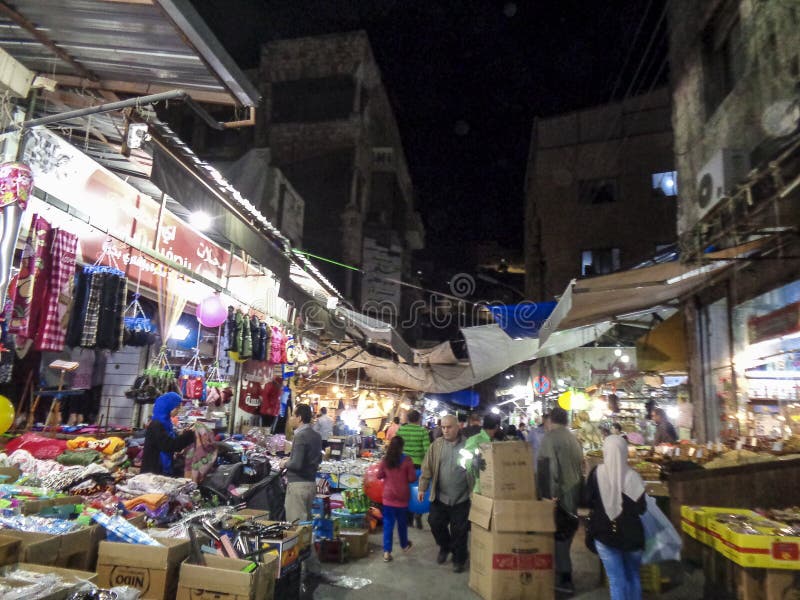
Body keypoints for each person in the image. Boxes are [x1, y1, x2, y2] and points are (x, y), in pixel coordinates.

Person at [585, 435, 646, 600]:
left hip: (604, 534)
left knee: (616, 580)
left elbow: (588, 501)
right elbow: (642, 509)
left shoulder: (596, 474)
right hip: (632, 536)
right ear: (624, 452)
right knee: (633, 577)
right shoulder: (634, 477)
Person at [537, 407, 585, 595]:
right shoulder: (573, 439)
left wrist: (550, 495)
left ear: (550, 420)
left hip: (561, 496)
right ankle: (563, 577)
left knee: (560, 539)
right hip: (574, 494)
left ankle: (565, 581)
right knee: (566, 535)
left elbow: (549, 469)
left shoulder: (550, 438)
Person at [418, 414, 474, 573]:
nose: (445, 430)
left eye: (449, 427)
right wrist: (422, 487)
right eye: (443, 427)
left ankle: (459, 559)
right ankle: (445, 546)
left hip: (461, 498)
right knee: (435, 523)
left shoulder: (468, 446)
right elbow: (427, 467)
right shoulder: (436, 446)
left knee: (460, 532)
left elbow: (475, 470)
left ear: (458, 427)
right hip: (440, 497)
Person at [283, 404, 323, 575]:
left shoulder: (300, 436)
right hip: (310, 485)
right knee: (306, 528)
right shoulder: (315, 435)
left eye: (293, 415)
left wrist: (285, 462)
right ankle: (310, 568)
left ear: (299, 418)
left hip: (298, 486)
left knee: (297, 530)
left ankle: (302, 570)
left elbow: (297, 464)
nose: (291, 418)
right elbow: (318, 459)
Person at [376, 436, 417, 561]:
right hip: (402, 498)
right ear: (402, 447)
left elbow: (379, 475)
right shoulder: (407, 460)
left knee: (388, 525)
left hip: (388, 497)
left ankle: (387, 552)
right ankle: (404, 545)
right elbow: (412, 478)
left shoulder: (385, 460)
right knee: (402, 524)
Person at [141, 392, 194, 475]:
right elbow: (169, 445)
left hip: (158, 469)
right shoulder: (156, 425)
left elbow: (169, 439)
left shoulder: (165, 422)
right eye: (177, 407)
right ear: (168, 407)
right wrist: (189, 435)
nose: (178, 410)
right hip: (154, 472)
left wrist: (182, 434)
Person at [397, 409, 431, 529]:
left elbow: (397, 446)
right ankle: (418, 513)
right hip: (417, 467)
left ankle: (408, 520)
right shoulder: (423, 431)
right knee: (419, 492)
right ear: (419, 419)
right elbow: (427, 450)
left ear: (408, 418)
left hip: (403, 466)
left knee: (406, 493)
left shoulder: (401, 429)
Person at [464, 414, 499, 492]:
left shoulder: (495, 441)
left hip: (497, 487)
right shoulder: (475, 440)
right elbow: (462, 459)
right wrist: (473, 463)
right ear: (497, 427)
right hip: (480, 489)